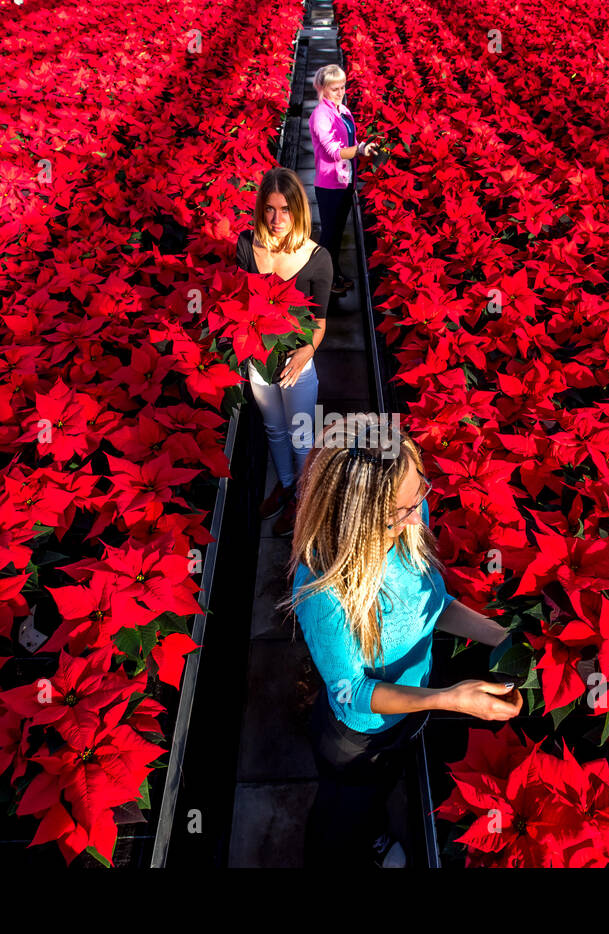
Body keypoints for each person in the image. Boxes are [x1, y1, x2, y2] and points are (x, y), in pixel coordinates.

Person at [285, 420, 523, 867]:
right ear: (358, 516)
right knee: (343, 808)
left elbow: (434, 603)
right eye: (403, 510)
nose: (419, 515)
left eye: (421, 496)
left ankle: (370, 829)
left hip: (408, 711)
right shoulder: (323, 591)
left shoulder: (409, 518)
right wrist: (448, 699)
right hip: (359, 736)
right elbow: (351, 694)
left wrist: (502, 638)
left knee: (378, 789)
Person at [235, 167, 333, 536]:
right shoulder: (246, 246)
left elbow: (320, 322)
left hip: (296, 364)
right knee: (274, 429)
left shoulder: (317, 258)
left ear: (299, 210)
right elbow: (239, 301)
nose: (277, 219)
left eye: (286, 210)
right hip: (258, 360)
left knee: (301, 433)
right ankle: (288, 485)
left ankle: (304, 499)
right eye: (271, 209)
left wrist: (307, 350)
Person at [308, 64, 378, 296]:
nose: (340, 92)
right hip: (329, 185)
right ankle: (323, 280)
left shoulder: (342, 110)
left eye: (342, 87)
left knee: (337, 233)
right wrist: (359, 150)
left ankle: (335, 273)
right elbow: (333, 152)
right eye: (335, 88)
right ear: (323, 89)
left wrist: (363, 148)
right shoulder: (320, 115)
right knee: (329, 234)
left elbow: (350, 139)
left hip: (345, 180)